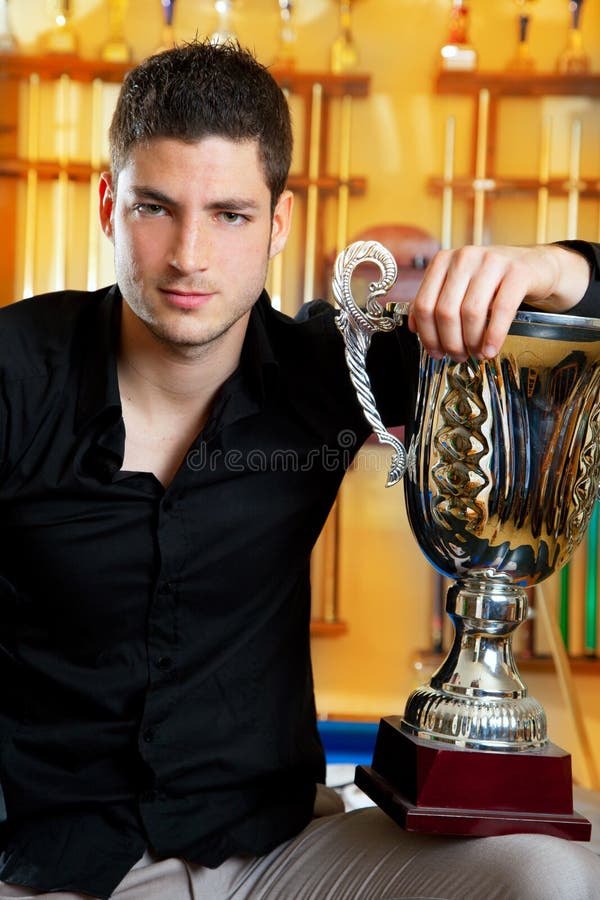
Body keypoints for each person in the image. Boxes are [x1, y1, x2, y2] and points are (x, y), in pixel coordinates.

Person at [0, 38, 598, 900]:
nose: (190, 256)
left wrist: (549, 265)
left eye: (231, 215)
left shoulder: (330, 370)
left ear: (278, 224)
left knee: (552, 875)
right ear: (107, 206)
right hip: (55, 864)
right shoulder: (17, 373)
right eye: (155, 208)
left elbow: (577, 315)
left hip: (273, 856)